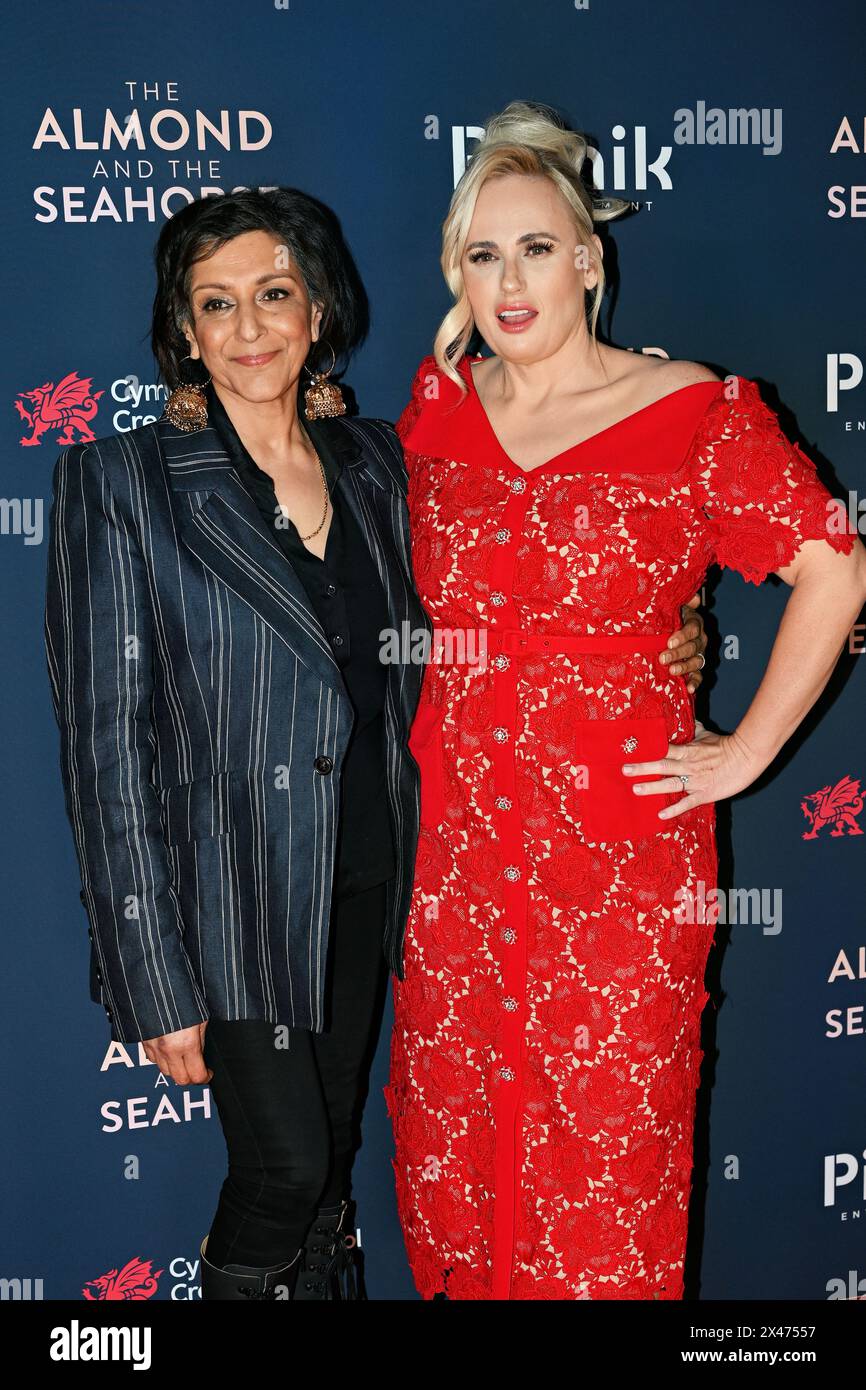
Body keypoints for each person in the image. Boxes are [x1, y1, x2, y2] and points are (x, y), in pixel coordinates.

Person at [43, 185, 708, 1302]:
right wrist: (149, 973)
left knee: (332, 1161)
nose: (248, 329)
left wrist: (665, 629)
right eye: (216, 305)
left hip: (374, 879)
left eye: (273, 295)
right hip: (233, 902)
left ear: (314, 313)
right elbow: (104, 752)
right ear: (184, 330)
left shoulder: (380, 463)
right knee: (283, 1167)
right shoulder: (120, 484)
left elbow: (509, 583)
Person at [386, 100, 866, 1301]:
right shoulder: (436, 415)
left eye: (536, 246)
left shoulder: (689, 413)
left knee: (605, 1168)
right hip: (454, 855)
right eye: (481, 253)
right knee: (458, 1149)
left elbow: (830, 561)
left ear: (589, 259)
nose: (508, 279)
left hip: (616, 870)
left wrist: (745, 750)